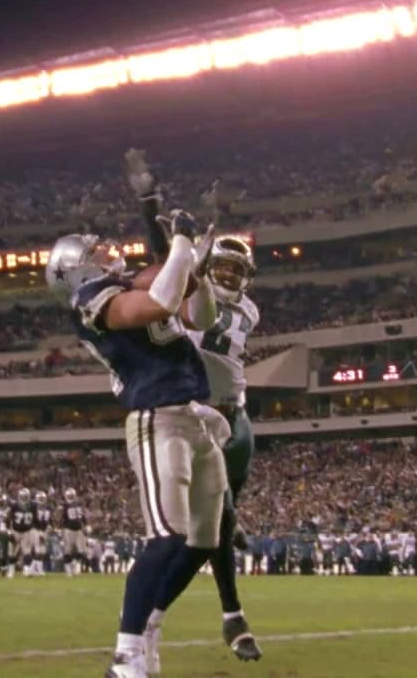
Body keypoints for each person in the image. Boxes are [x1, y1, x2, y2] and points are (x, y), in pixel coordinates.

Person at [47, 180, 229, 677]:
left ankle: (149, 625)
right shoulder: (92, 299)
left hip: (195, 416)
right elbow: (160, 304)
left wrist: (198, 269)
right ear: (74, 268)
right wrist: (184, 248)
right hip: (157, 420)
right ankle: (126, 657)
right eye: (93, 251)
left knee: (202, 544)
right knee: (167, 538)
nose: (105, 251)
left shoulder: (129, 284)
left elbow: (200, 313)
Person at [130, 148, 263, 665]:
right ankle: (230, 617)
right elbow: (169, 266)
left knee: (218, 529)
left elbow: (183, 272)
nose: (229, 276)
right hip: (205, 423)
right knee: (211, 530)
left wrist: (194, 249)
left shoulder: (243, 308)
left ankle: (231, 527)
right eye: (222, 267)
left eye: (236, 269)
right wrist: (151, 210)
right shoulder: (188, 297)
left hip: (238, 421)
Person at [61, 488, 88, 577]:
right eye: (69, 496)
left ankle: (74, 563)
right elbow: (63, 519)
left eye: (72, 496)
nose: (71, 497)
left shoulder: (79, 504)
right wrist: (63, 530)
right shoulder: (65, 506)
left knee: (82, 551)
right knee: (68, 550)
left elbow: (82, 516)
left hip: (79, 529)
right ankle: (68, 570)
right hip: (69, 530)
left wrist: (86, 525)